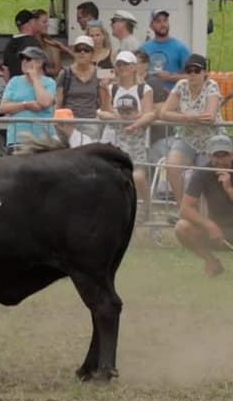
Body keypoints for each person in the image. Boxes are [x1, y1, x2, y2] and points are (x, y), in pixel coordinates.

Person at [97, 53, 156, 220]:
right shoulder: (112, 89)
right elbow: (104, 112)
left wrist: (134, 123)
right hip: (117, 140)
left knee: (138, 177)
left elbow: (149, 114)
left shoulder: (144, 89)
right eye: (119, 64)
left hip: (137, 141)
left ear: (134, 67)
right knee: (114, 178)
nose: (122, 68)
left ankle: (147, 207)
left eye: (126, 64)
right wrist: (104, 90)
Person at [159, 53, 221, 206]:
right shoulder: (181, 85)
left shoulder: (211, 85)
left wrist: (180, 116)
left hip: (210, 140)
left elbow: (210, 116)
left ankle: (205, 214)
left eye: (197, 70)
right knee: (172, 166)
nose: (192, 74)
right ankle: (183, 208)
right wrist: (189, 118)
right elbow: (164, 113)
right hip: (187, 137)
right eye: (188, 70)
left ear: (205, 72)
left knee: (203, 175)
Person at [174, 134, 233, 278]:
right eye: (216, 156)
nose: (220, 161)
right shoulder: (202, 173)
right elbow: (185, 209)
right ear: (209, 156)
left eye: (224, 155)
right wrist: (209, 225)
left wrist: (229, 189)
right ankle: (211, 261)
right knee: (182, 227)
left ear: (231, 154)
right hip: (218, 229)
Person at [0, 46, 56, 151]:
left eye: (28, 59)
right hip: (17, 138)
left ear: (39, 62)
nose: (24, 62)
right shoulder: (14, 81)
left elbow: (45, 102)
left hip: (42, 139)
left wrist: (35, 78)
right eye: (22, 59)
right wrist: (25, 105)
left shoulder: (49, 82)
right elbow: (3, 107)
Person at [56, 35, 105, 140]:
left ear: (92, 54)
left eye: (86, 50)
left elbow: (104, 100)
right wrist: (56, 121)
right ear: (74, 53)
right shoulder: (64, 73)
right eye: (78, 49)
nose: (82, 52)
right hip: (68, 123)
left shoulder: (100, 73)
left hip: (91, 123)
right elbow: (58, 102)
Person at [140, 10, 190, 89]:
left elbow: (191, 76)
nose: (162, 24)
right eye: (158, 21)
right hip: (149, 94)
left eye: (165, 20)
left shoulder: (181, 48)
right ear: (151, 26)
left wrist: (170, 77)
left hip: (173, 95)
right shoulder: (144, 48)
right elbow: (137, 74)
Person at [4, 10, 41, 78]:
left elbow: (6, 70)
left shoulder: (10, 42)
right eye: (35, 20)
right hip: (30, 83)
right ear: (31, 22)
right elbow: (37, 70)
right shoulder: (33, 43)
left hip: (14, 83)